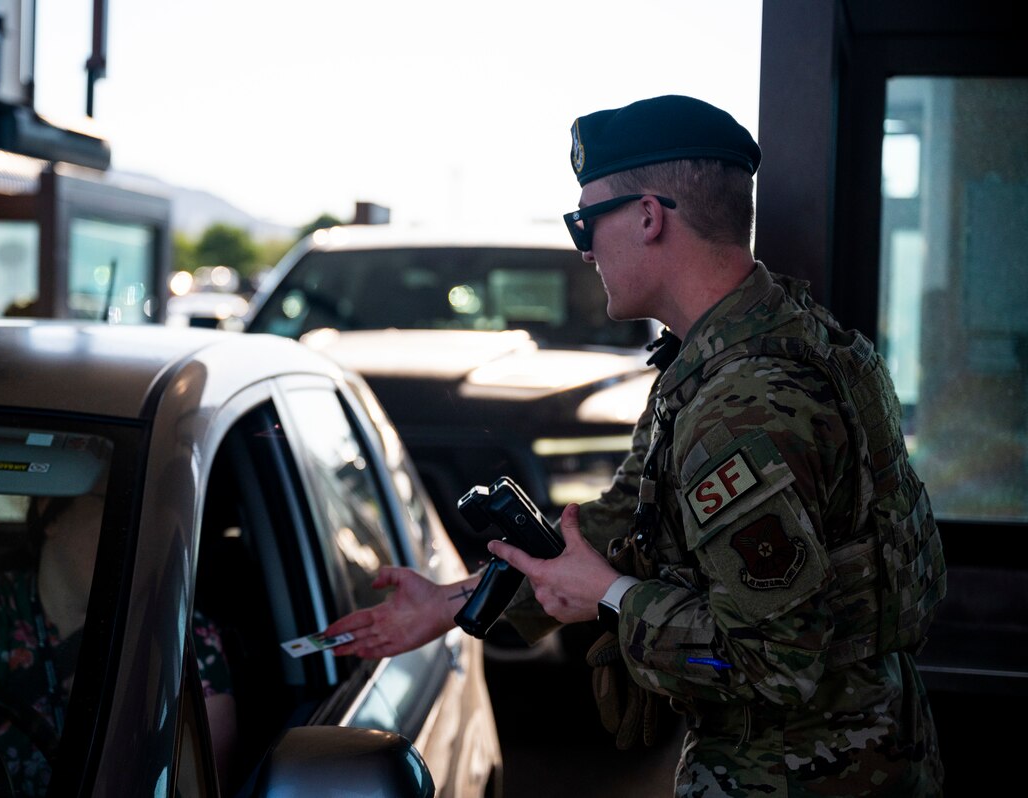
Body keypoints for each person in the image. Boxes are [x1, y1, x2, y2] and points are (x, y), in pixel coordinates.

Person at [323, 94, 947, 796]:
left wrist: (613, 600)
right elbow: (624, 523)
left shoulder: (744, 407)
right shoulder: (749, 346)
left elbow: (772, 666)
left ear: (649, 217)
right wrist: (450, 603)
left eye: (585, 221)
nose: (584, 246)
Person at [0, 485, 238, 796]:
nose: (140, 529)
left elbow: (196, 785)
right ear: (50, 510)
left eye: (154, 512)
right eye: (120, 501)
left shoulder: (181, 634)